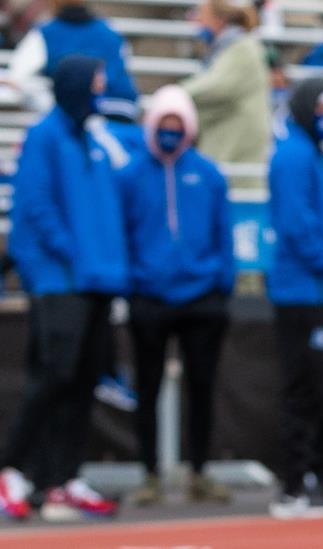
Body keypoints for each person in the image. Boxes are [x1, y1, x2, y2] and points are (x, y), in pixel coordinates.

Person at [0, 57, 130, 521]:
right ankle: (12, 469)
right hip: (61, 283)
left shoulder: (92, 141)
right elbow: (35, 205)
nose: (100, 92)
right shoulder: (45, 136)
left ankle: (61, 479)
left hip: (96, 282)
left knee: (83, 382)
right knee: (51, 377)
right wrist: (74, 256)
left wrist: (108, 266)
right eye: (94, 85)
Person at [117, 85, 235, 507]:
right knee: (146, 389)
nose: (169, 134)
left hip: (202, 297)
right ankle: (149, 473)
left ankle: (199, 472)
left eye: (177, 127)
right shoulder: (130, 175)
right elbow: (123, 233)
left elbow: (225, 232)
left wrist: (223, 280)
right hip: (149, 297)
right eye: (163, 126)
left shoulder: (208, 174)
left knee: (202, 388)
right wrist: (132, 281)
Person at [265, 79, 323, 520]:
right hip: (304, 293)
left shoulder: (318, 155)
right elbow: (296, 224)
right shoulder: (293, 156)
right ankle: (293, 487)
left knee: (321, 390)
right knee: (303, 390)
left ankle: (312, 479)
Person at [6, 0, 138, 119]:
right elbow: (123, 65)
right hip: (120, 110)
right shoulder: (109, 29)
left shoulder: (47, 32)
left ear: (52, 3)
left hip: (77, 113)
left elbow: (17, 75)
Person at [180, 0, 272, 165]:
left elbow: (217, 86)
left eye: (202, 16)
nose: (198, 22)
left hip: (238, 146)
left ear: (219, 20)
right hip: (228, 140)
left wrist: (175, 94)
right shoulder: (225, 50)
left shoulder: (242, 47)